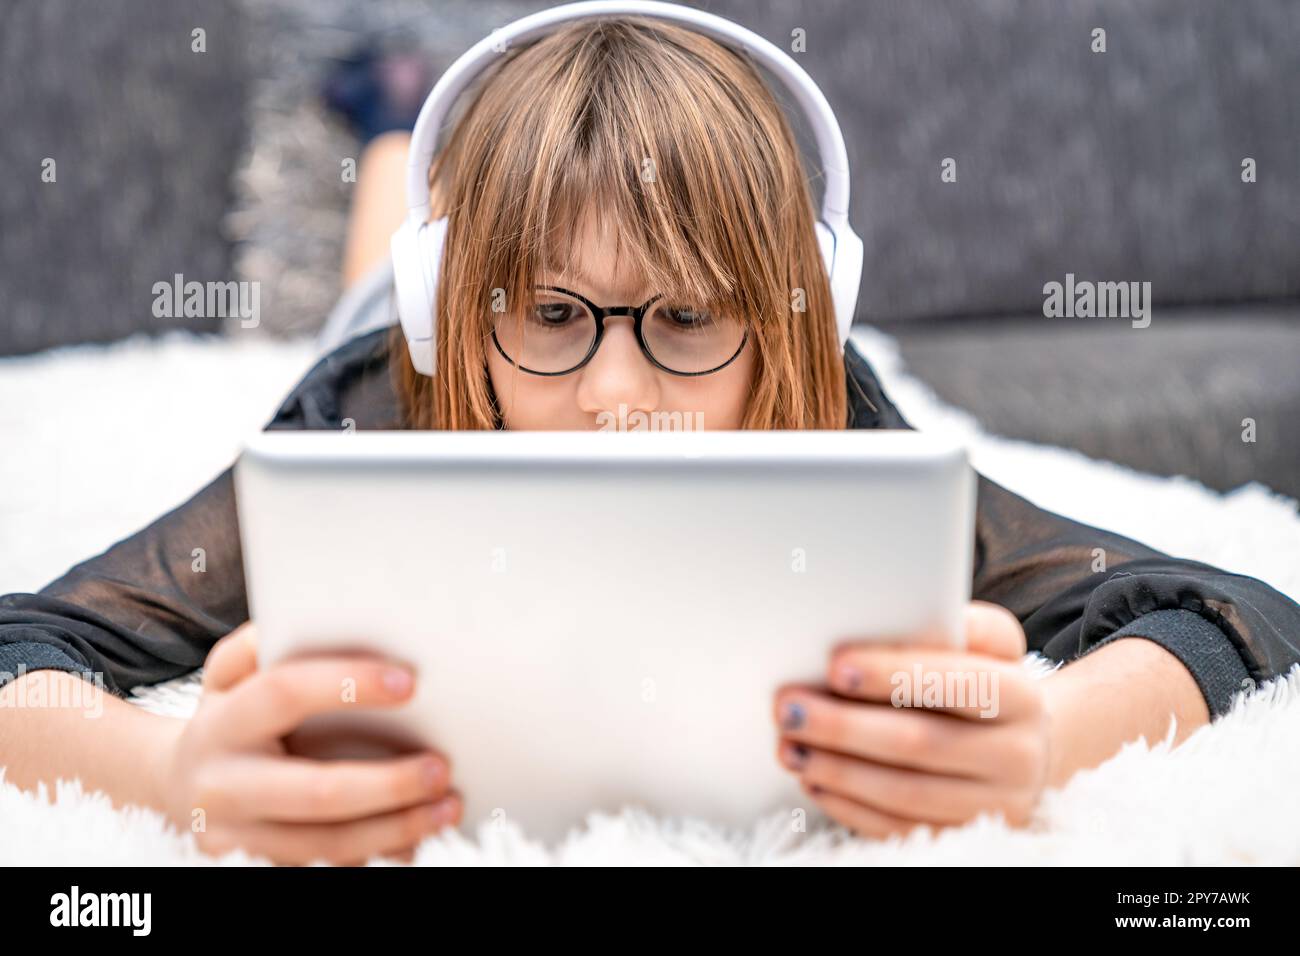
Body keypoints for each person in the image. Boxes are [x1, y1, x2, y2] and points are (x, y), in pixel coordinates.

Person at [2, 18, 1297, 865]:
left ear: (795, 327)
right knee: (352, 269)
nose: (617, 392)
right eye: (554, 315)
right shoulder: (363, 412)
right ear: (458, 318)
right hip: (373, 327)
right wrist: (167, 767)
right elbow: (27, 644)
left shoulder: (828, 413)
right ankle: (392, 113)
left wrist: (1051, 740)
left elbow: (1237, 608)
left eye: (685, 317)